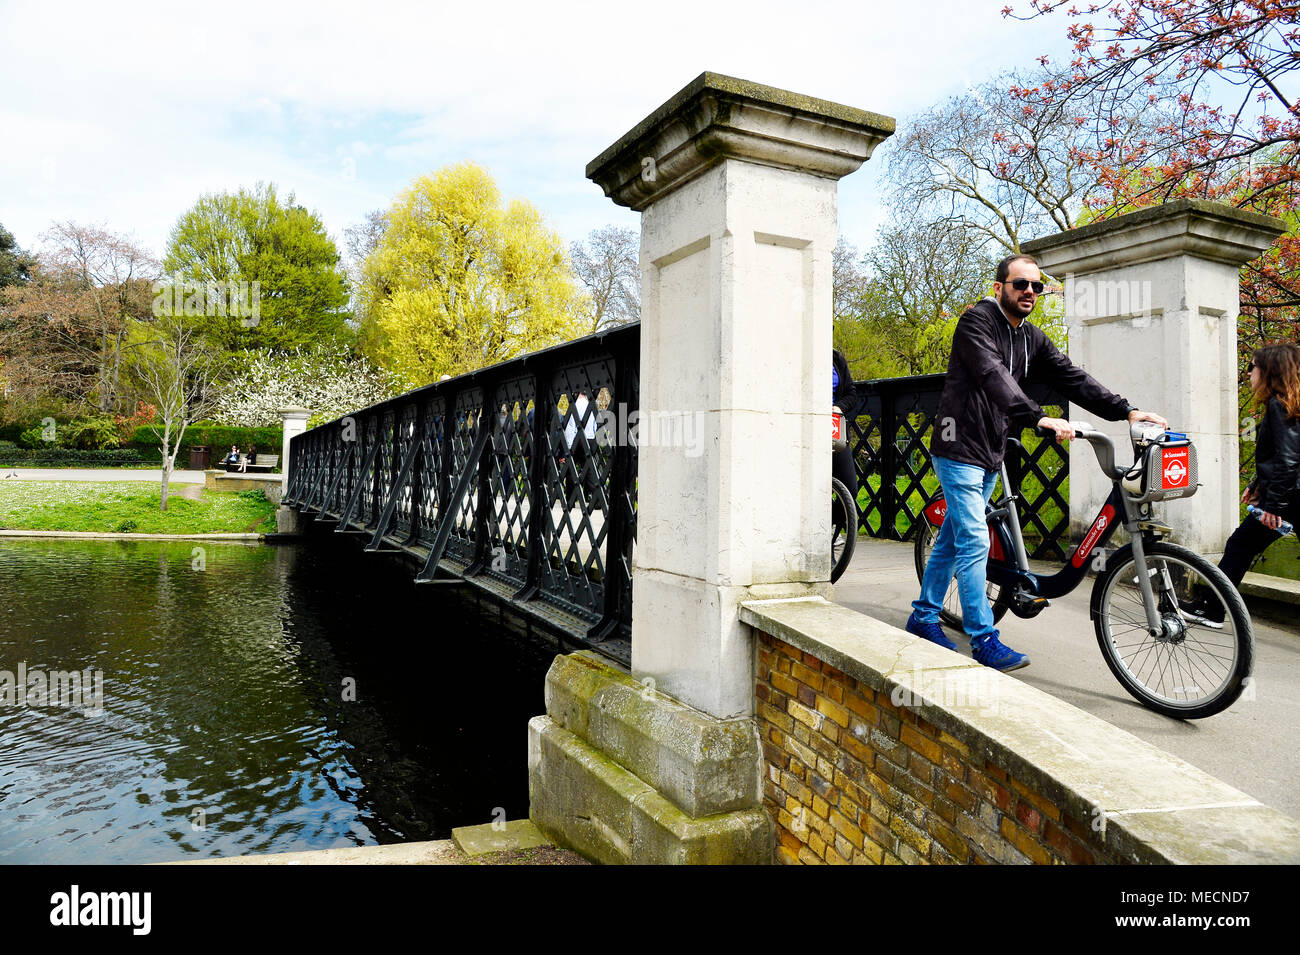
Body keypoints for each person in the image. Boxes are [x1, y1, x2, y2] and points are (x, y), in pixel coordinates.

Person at [906, 253, 1168, 671]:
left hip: (991, 449)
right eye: (1020, 284)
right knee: (974, 540)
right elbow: (994, 376)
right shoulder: (976, 323)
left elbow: (1072, 376)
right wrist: (1037, 415)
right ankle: (983, 638)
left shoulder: (1032, 338)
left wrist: (1127, 411)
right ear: (999, 288)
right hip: (958, 447)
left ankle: (922, 616)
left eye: (1036, 286)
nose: (1029, 292)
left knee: (955, 538)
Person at [1184, 344, 1300, 622]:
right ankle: (1211, 606)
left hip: (1289, 498)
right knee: (1242, 545)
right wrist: (1258, 483)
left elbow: (1289, 459)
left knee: (1240, 545)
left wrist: (1274, 506)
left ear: (1269, 371)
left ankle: (1212, 608)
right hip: (1291, 494)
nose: (1248, 374)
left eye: (1252, 367)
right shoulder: (1290, 405)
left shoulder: (1277, 405)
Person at [564, 390, 600, 505]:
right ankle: (592, 497)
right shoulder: (593, 405)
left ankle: (571, 498)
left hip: (577, 439)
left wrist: (569, 447)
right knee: (589, 469)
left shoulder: (574, 405)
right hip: (590, 438)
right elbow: (596, 425)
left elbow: (570, 427)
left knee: (571, 469)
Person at [832, 348, 857, 501]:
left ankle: (828, 522)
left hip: (834, 429)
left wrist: (838, 407)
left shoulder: (835, 358)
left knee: (850, 490)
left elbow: (851, 394)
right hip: (805, 428)